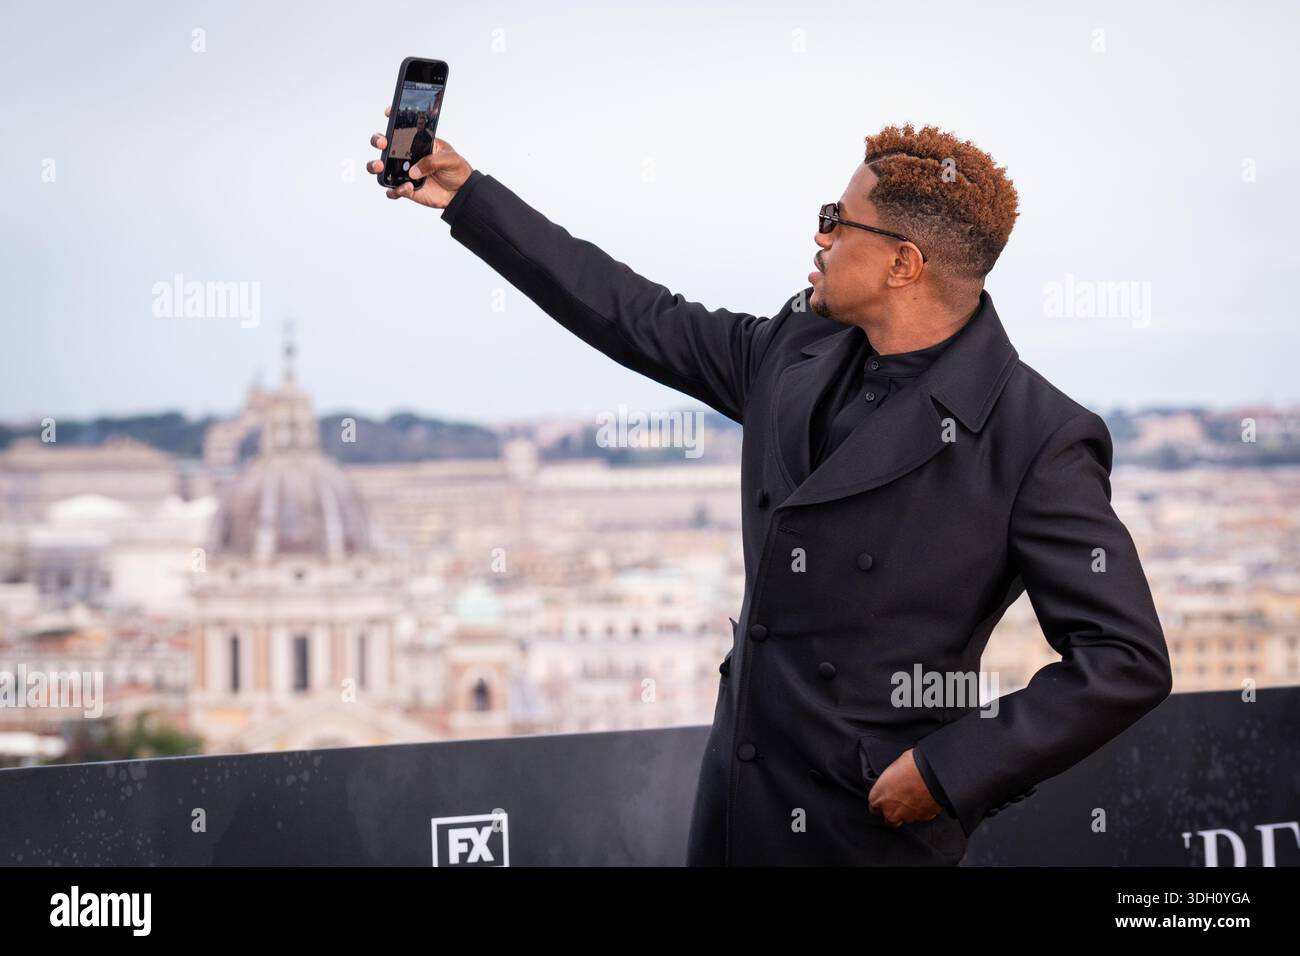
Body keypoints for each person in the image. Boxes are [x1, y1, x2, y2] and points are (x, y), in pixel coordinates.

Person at [366, 116, 1173, 866]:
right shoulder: (798, 348)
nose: (818, 236)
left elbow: (1125, 658)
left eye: (837, 218)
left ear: (902, 263)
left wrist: (947, 770)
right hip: (736, 802)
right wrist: (468, 197)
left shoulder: (1037, 435)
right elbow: (634, 314)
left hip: (870, 825)